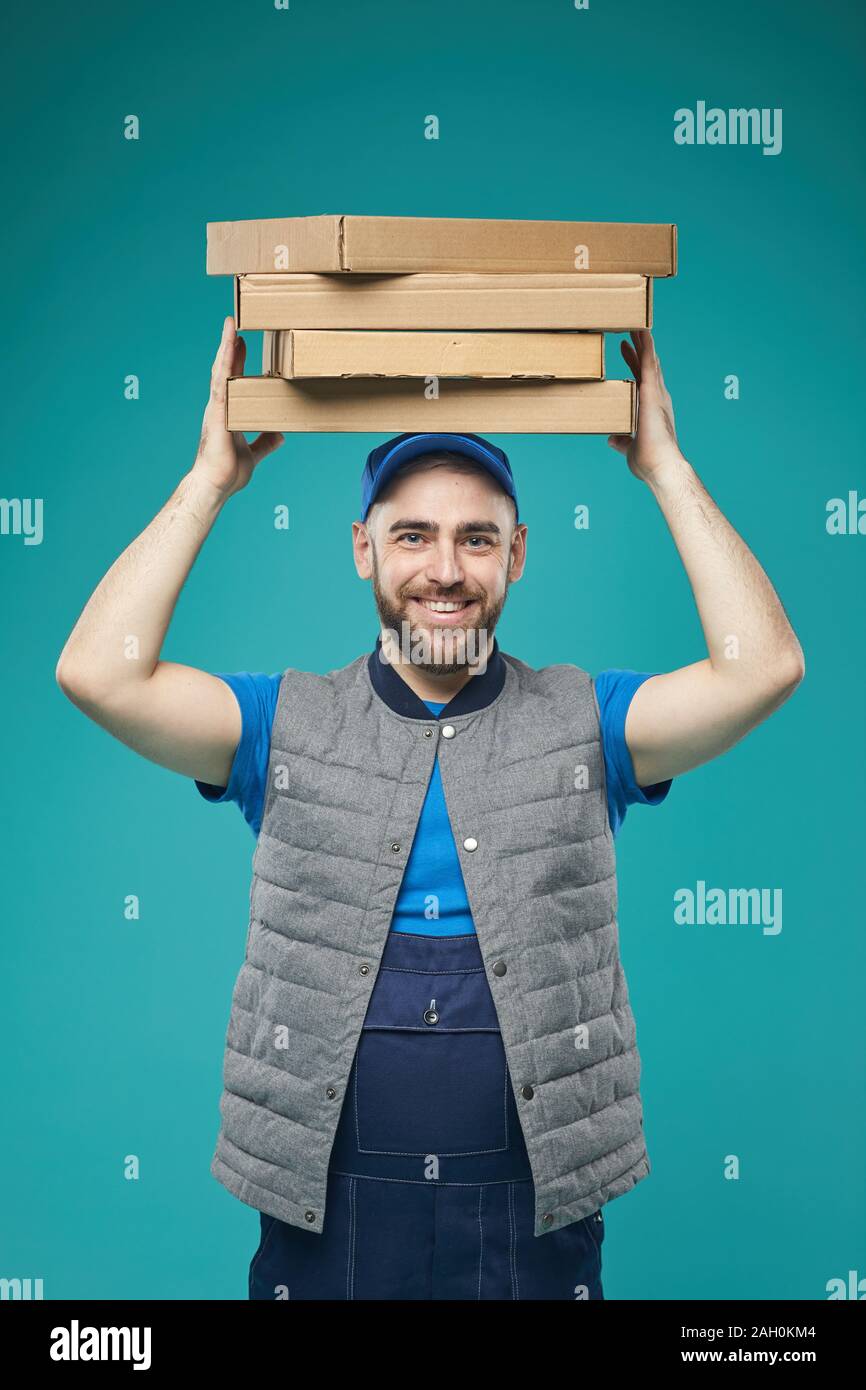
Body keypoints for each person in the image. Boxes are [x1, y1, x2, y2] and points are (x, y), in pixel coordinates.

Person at [55, 317, 805, 1300]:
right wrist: (210, 483)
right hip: (324, 1223)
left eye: (475, 538)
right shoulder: (279, 722)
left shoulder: (591, 721)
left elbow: (764, 668)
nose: (444, 570)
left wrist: (663, 467)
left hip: (532, 1230)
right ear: (362, 548)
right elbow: (97, 674)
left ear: (517, 555)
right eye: (411, 534)